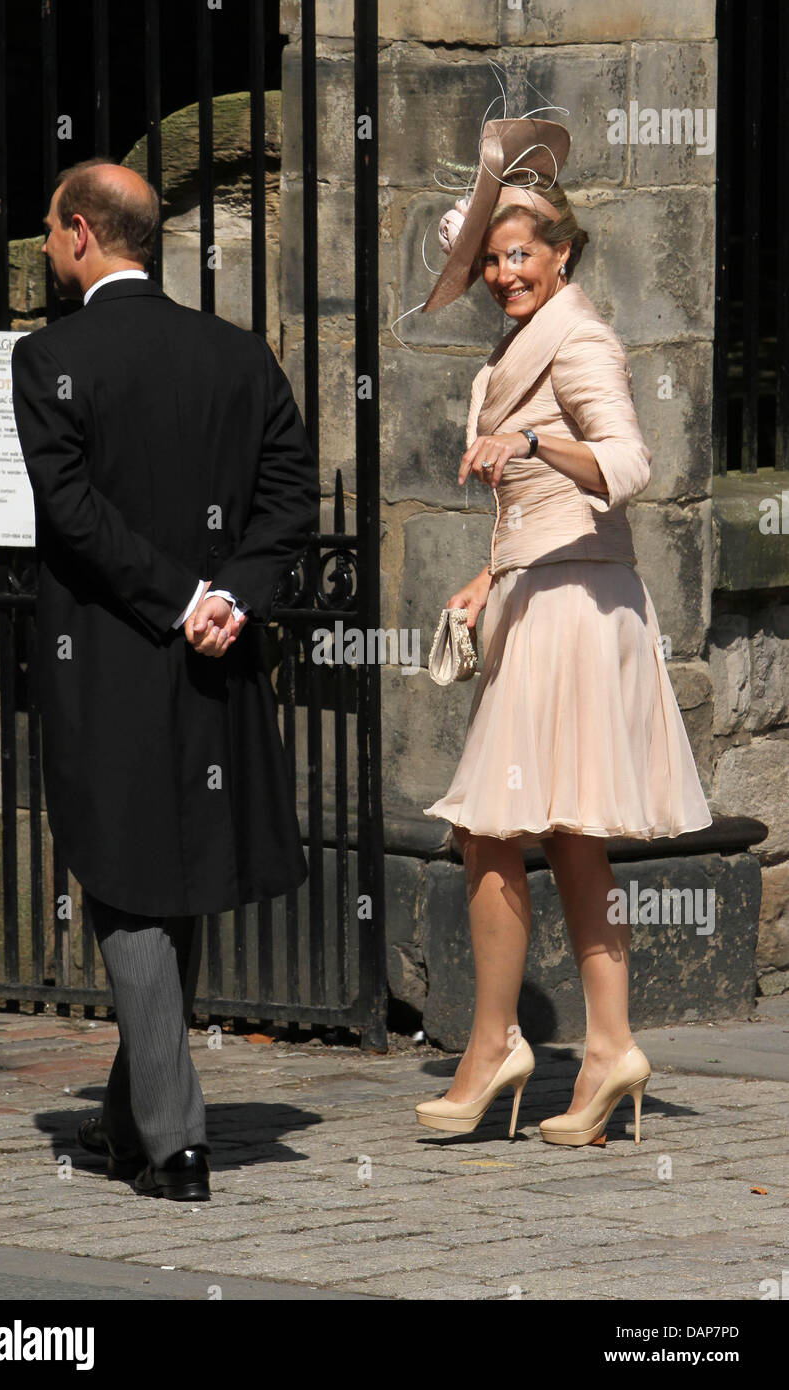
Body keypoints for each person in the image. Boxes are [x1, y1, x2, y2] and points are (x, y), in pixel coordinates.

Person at [11, 158, 319, 1199]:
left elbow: (73, 513)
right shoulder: (236, 355)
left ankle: (176, 1141)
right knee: (166, 871)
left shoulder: (52, 356)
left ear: (84, 236)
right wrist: (232, 593)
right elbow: (290, 497)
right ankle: (128, 1116)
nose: (47, 246)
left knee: (125, 885)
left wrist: (184, 596)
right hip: (215, 654)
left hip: (114, 656)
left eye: (51, 230)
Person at [413, 116, 712, 1146]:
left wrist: (536, 434)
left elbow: (627, 467)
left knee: (491, 826)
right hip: (545, 594)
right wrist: (485, 573)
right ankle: (609, 1047)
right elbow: (540, 502)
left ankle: (496, 1047)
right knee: (571, 834)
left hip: (575, 612)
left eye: (521, 253)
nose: (504, 273)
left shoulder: (579, 336)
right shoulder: (522, 339)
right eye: (493, 258)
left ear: (562, 251)